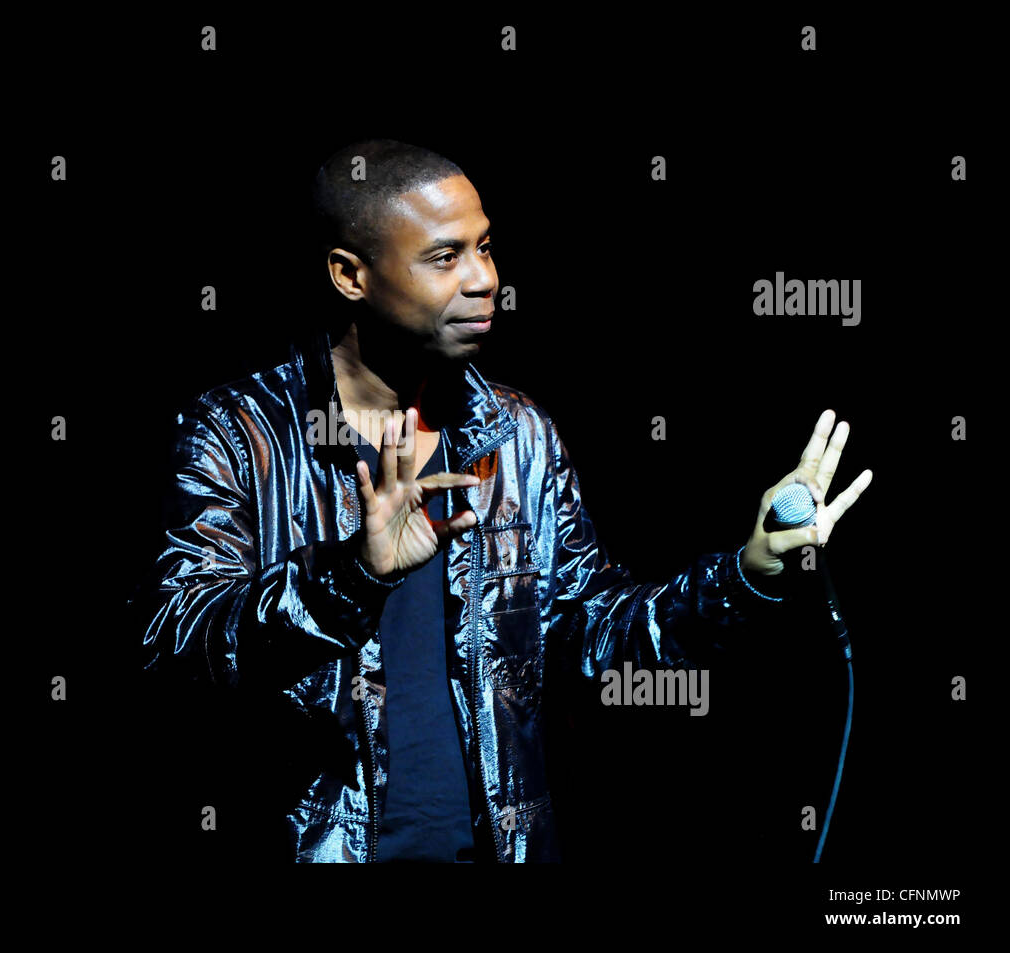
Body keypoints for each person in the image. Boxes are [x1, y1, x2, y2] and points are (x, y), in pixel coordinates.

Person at [134, 138, 873, 862]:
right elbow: (178, 646)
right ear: (350, 274)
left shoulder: (518, 434)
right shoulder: (236, 434)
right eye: (445, 256)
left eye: (485, 248)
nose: (484, 278)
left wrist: (742, 575)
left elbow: (592, 635)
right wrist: (350, 575)